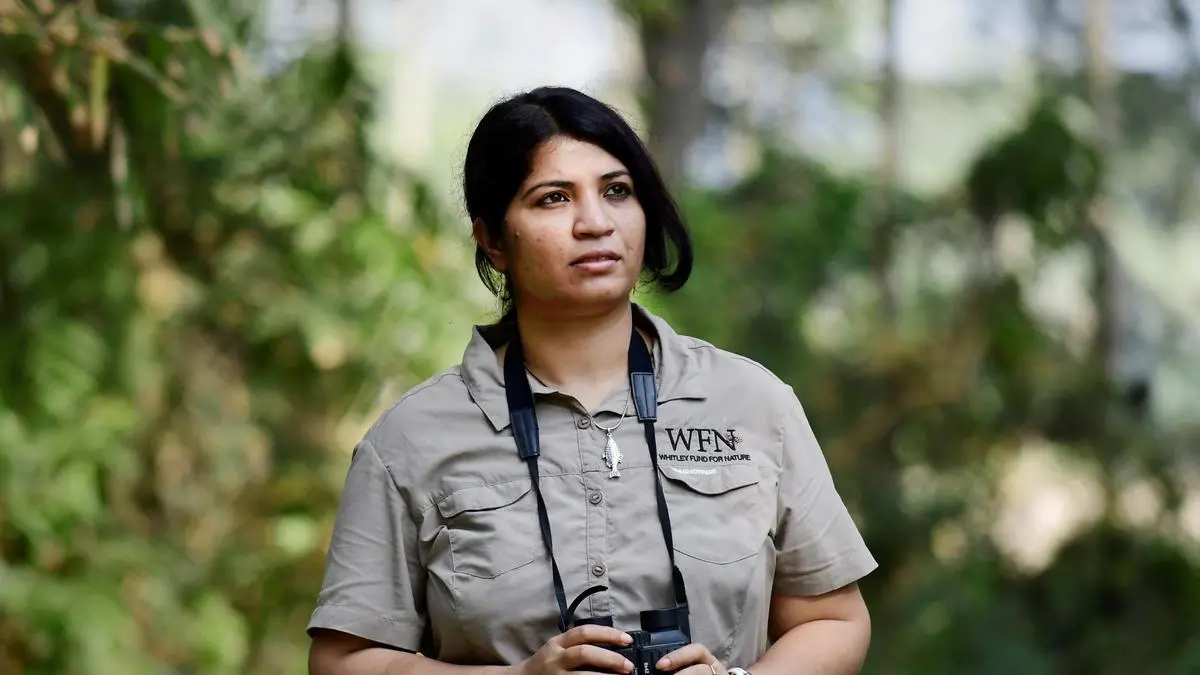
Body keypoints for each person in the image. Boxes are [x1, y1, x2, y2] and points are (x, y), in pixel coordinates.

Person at [306, 86, 878, 675]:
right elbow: (342, 660)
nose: (595, 222)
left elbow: (833, 620)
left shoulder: (754, 404)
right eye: (553, 198)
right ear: (493, 241)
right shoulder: (408, 440)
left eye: (617, 191)